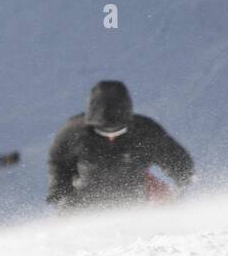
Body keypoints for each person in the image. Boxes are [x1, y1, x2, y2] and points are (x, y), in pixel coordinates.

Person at [47, 80, 192, 209]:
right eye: (103, 131)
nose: (111, 136)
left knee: (159, 192)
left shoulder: (144, 130)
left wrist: (183, 175)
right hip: (86, 199)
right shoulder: (74, 132)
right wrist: (60, 193)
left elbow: (171, 154)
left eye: (118, 130)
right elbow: (59, 163)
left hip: (136, 195)